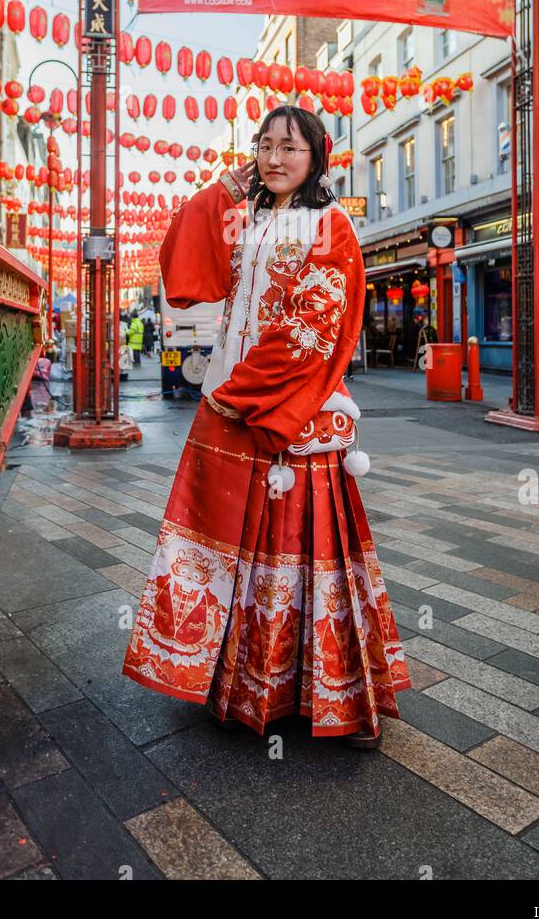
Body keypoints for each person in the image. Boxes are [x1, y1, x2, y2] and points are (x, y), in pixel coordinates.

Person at [122, 105, 411, 747]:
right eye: (265, 145)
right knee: (237, 544)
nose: (275, 159)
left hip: (288, 412)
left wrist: (244, 395)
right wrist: (231, 183)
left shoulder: (330, 224)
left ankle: (330, 696)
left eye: (291, 147)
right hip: (238, 396)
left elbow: (317, 326)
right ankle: (243, 683)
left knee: (301, 553)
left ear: (317, 158)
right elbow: (184, 250)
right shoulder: (251, 218)